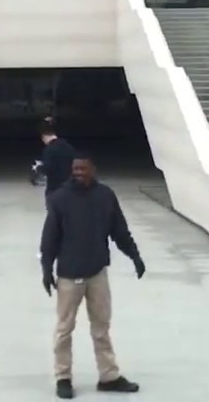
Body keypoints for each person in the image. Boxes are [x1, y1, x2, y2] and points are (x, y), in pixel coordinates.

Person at [40, 155, 144, 399]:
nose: (78, 172)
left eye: (83, 169)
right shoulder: (60, 199)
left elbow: (119, 231)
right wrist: (46, 268)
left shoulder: (105, 196)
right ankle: (63, 377)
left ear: (93, 170)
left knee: (101, 326)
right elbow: (49, 238)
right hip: (69, 275)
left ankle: (109, 376)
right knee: (64, 328)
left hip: (97, 273)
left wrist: (135, 256)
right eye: (75, 169)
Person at [40, 118, 76, 200]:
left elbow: (48, 168)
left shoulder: (49, 149)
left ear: (44, 137)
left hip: (55, 188)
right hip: (69, 187)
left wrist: (39, 168)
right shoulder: (69, 147)